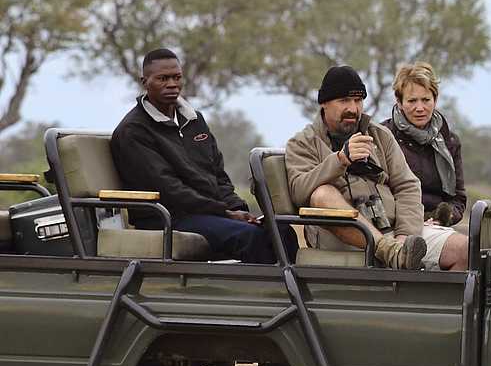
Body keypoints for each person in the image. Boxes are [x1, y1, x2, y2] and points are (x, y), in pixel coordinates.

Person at [108, 47, 295, 264]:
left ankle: (294, 296)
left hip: (207, 213)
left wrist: (237, 208)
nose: (172, 84)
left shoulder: (194, 120)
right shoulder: (134, 131)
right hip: (167, 217)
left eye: (177, 77)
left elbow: (218, 175)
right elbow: (169, 190)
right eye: (163, 78)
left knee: (281, 230)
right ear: (145, 81)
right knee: (250, 237)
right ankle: (262, 295)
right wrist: (225, 213)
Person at [285, 65, 467, 270]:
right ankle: (389, 252)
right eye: (344, 100)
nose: (353, 109)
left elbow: (407, 185)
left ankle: (423, 296)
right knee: (322, 194)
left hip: (394, 231)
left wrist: (404, 235)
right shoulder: (302, 143)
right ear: (324, 103)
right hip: (345, 236)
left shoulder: (379, 135)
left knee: (465, 250)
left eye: (358, 101)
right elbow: (299, 191)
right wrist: (340, 160)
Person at [383, 62, 468, 231]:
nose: (419, 108)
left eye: (426, 100)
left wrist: (443, 218)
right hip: (397, 223)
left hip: (439, 224)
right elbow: (377, 192)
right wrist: (412, 221)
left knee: (477, 245)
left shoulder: (450, 141)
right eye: (412, 100)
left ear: (435, 100)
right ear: (399, 102)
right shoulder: (383, 136)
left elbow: (458, 199)